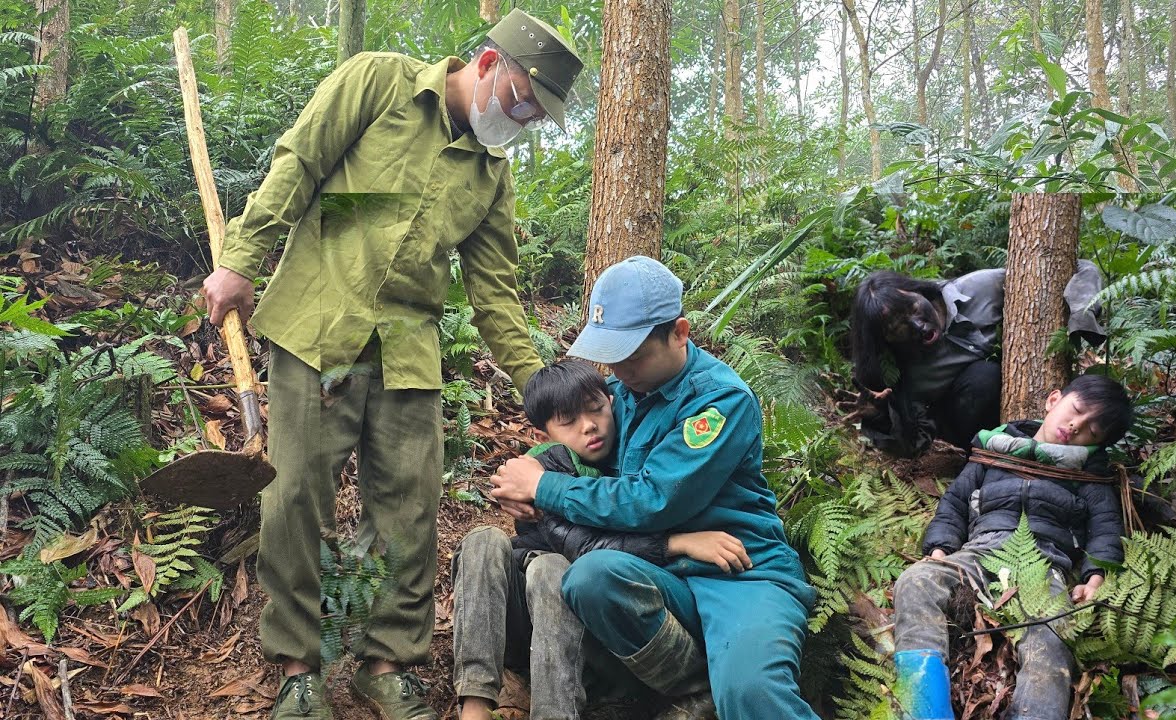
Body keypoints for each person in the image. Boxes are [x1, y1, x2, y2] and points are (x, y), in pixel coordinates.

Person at [200, 10, 584, 720]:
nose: (525, 117)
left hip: (408, 350)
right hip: (318, 324)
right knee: (294, 499)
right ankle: (298, 670)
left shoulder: (490, 175)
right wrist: (240, 260)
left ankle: (386, 664)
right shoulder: (378, 82)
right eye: (523, 97)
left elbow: (495, 293)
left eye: (537, 113)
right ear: (488, 63)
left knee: (409, 509)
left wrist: (542, 390)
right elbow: (299, 163)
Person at [490, 256, 821, 720]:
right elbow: (577, 451)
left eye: (634, 354)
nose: (619, 368)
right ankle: (692, 694)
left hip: (739, 574)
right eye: (611, 354)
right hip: (662, 568)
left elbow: (652, 500)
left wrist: (545, 488)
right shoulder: (625, 394)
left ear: (679, 333)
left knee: (752, 691)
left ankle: (726, 682)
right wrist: (520, 479)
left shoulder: (718, 401)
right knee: (592, 577)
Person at [453, 359, 749, 720]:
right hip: (538, 621)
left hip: (582, 635)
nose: (588, 426)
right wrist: (678, 542)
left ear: (612, 403)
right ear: (544, 437)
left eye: (595, 410)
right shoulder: (545, 471)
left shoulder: (628, 441)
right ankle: (475, 705)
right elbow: (583, 546)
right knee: (487, 542)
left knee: (550, 568)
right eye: (568, 422)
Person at [892, 374, 1133, 720]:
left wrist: (1094, 578)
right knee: (915, 581)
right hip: (979, 551)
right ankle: (925, 710)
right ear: (1053, 400)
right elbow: (954, 504)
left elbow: (1106, 530)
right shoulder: (992, 451)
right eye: (1077, 410)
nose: (1076, 426)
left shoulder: (1089, 476)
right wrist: (940, 549)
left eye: (1092, 431)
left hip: (1044, 567)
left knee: (1053, 636)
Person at [851, 263, 1106, 456]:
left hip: (1041, 408)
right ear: (886, 340)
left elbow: (1080, 266)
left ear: (918, 292)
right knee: (983, 378)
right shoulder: (906, 372)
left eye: (912, 308)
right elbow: (916, 441)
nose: (916, 325)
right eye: (897, 327)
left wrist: (1082, 316)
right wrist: (880, 418)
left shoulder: (980, 287)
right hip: (972, 434)